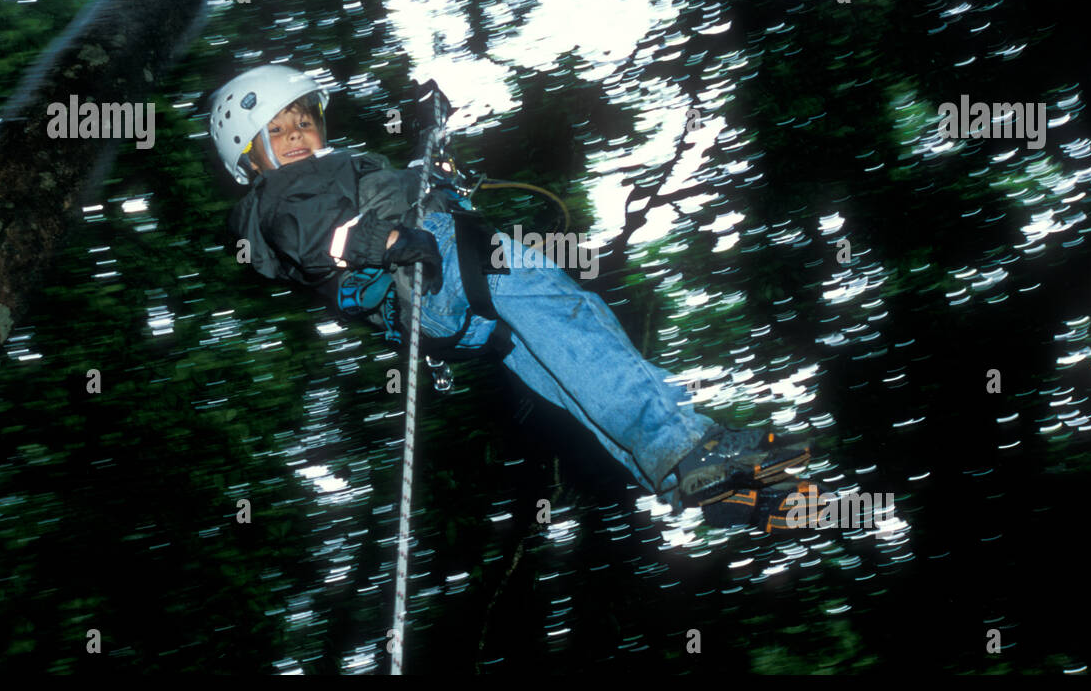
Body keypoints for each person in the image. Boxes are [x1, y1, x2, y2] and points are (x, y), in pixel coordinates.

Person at [208, 65, 814, 529]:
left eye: (303, 121)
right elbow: (313, 238)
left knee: (564, 369)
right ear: (248, 156)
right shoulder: (283, 194)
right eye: (276, 130)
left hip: (434, 298)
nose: (295, 136)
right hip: (438, 259)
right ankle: (683, 445)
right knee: (572, 314)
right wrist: (386, 237)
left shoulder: (328, 174)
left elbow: (367, 214)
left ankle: (700, 479)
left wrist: (433, 170)